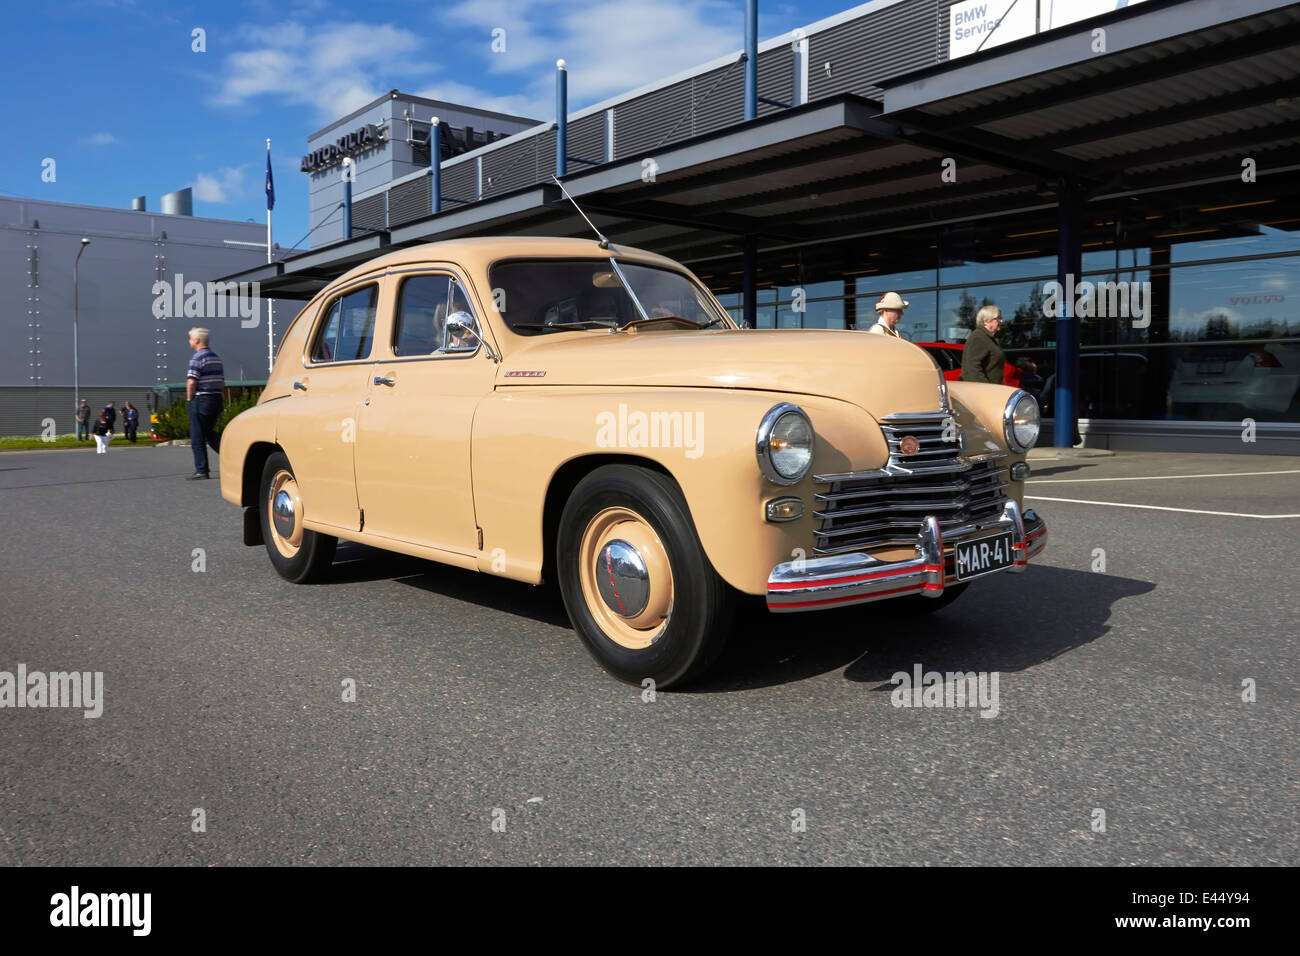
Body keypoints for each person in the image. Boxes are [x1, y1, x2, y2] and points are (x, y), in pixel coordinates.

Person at [185, 327, 224, 480]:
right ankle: (234, 455)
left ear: (196, 340)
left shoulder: (197, 358)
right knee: (209, 433)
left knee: (197, 436)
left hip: (201, 400)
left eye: (190, 339)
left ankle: (202, 470)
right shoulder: (216, 358)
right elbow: (222, 381)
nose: (189, 341)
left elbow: (191, 381)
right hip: (215, 400)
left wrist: (190, 400)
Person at [960, 305, 1007, 384]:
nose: (1001, 321)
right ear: (986, 321)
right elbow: (972, 368)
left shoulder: (988, 338)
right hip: (983, 392)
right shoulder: (978, 337)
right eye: (998, 318)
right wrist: (987, 390)